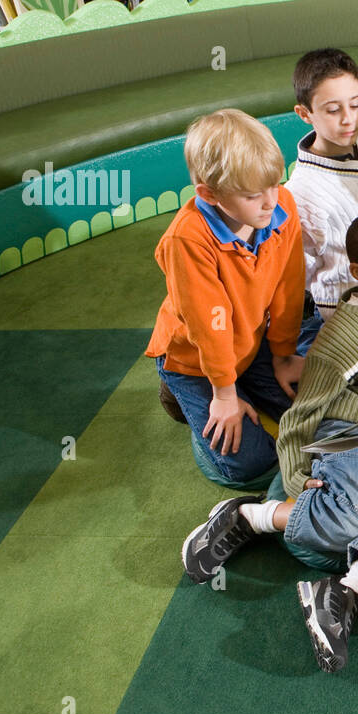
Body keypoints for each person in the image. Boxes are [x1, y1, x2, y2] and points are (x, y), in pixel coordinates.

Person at [180, 210, 358, 674]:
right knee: (357, 517)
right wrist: (296, 475)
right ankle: (251, 517)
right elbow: (301, 417)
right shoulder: (338, 342)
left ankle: (346, 593)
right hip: (344, 435)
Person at [146, 108, 305, 487]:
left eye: (274, 184)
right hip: (196, 362)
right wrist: (224, 394)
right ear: (208, 194)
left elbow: (289, 285)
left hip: (248, 347)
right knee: (248, 463)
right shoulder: (187, 240)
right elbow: (209, 325)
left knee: (318, 412)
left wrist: (282, 354)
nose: (271, 201)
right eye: (253, 195)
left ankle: (241, 386)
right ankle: (182, 400)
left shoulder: (281, 205)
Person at [284, 48, 358, 355]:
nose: (349, 120)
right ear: (304, 114)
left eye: (356, 105)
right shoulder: (299, 193)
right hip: (341, 321)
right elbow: (297, 280)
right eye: (333, 110)